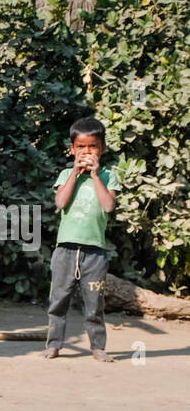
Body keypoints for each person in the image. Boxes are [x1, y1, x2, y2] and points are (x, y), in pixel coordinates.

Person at [45, 117, 119, 361]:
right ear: (72, 149)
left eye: (93, 146)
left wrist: (96, 176)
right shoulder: (66, 174)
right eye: (81, 147)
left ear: (102, 148)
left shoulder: (109, 176)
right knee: (58, 301)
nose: (87, 151)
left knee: (94, 303)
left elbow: (108, 206)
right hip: (65, 249)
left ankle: (98, 347)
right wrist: (75, 174)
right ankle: (54, 344)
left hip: (95, 252)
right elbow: (60, 202)